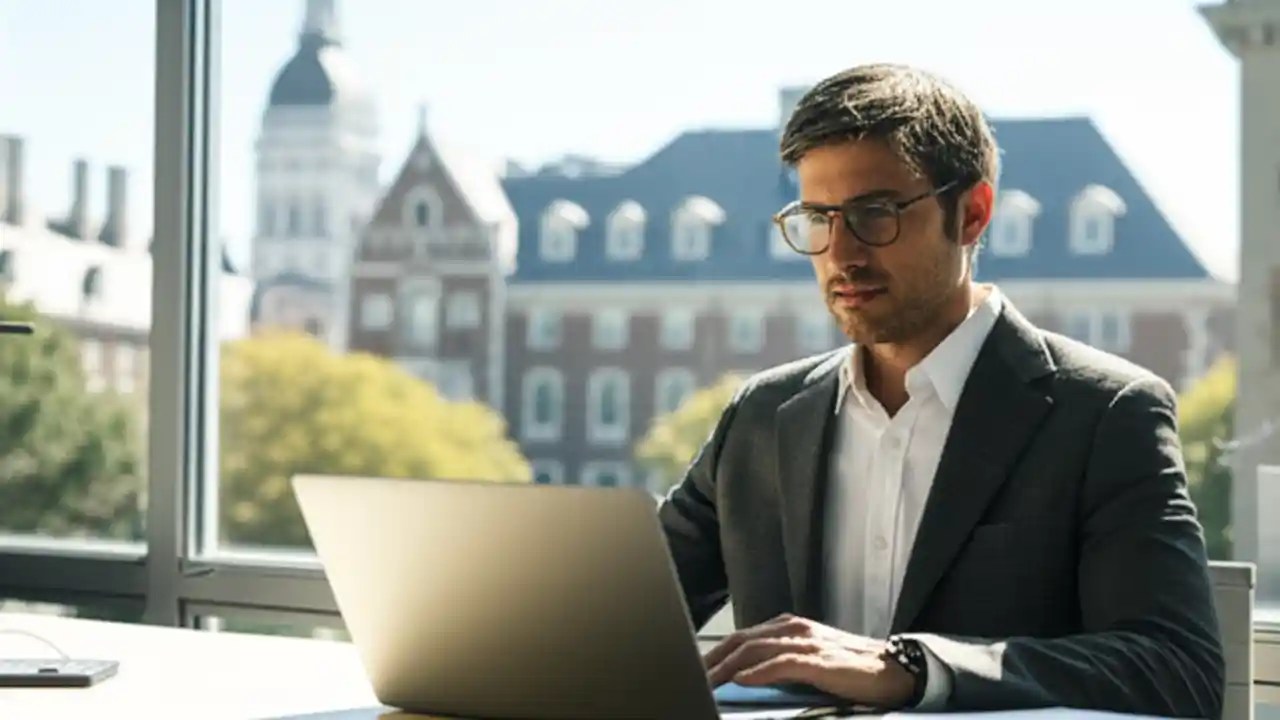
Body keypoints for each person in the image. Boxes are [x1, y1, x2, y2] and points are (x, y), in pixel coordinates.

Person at [657, 63, 1224, 717]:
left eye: (875, 214)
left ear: (974, 213)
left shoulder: (1105, 413)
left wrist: (913, 667)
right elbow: (615, 612)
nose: (841, 254)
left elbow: (1175, 671)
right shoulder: (761, 415)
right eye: (818, 217)